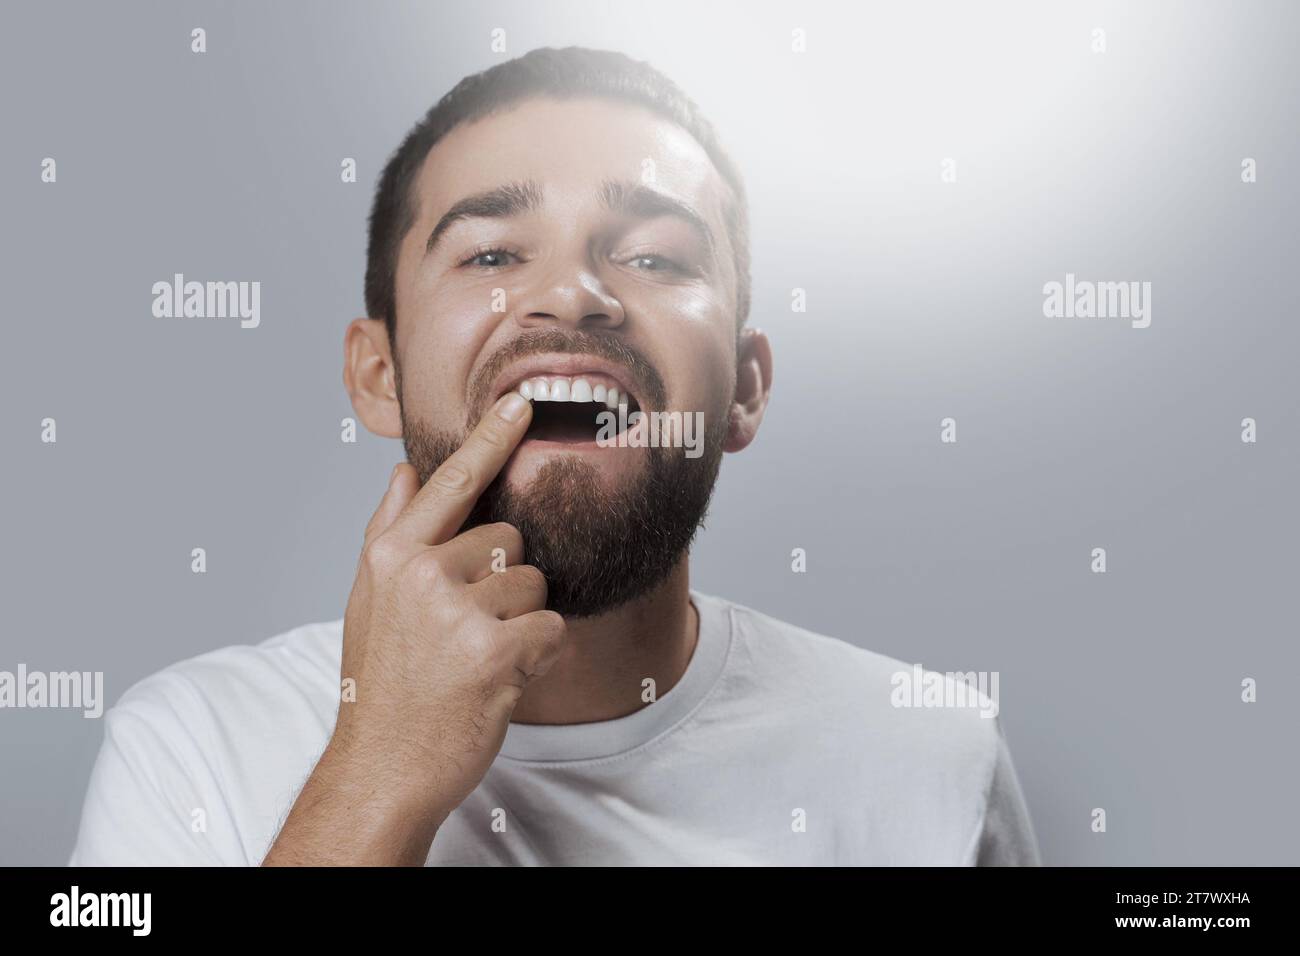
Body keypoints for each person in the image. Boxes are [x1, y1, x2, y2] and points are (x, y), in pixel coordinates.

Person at [69, 46, 1040, 866]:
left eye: (655, 256)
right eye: (491, 255)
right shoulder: (188, 748)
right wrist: (377, 774)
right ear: (378, 373)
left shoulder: (936, 756)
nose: (571, 294)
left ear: (744, 389)